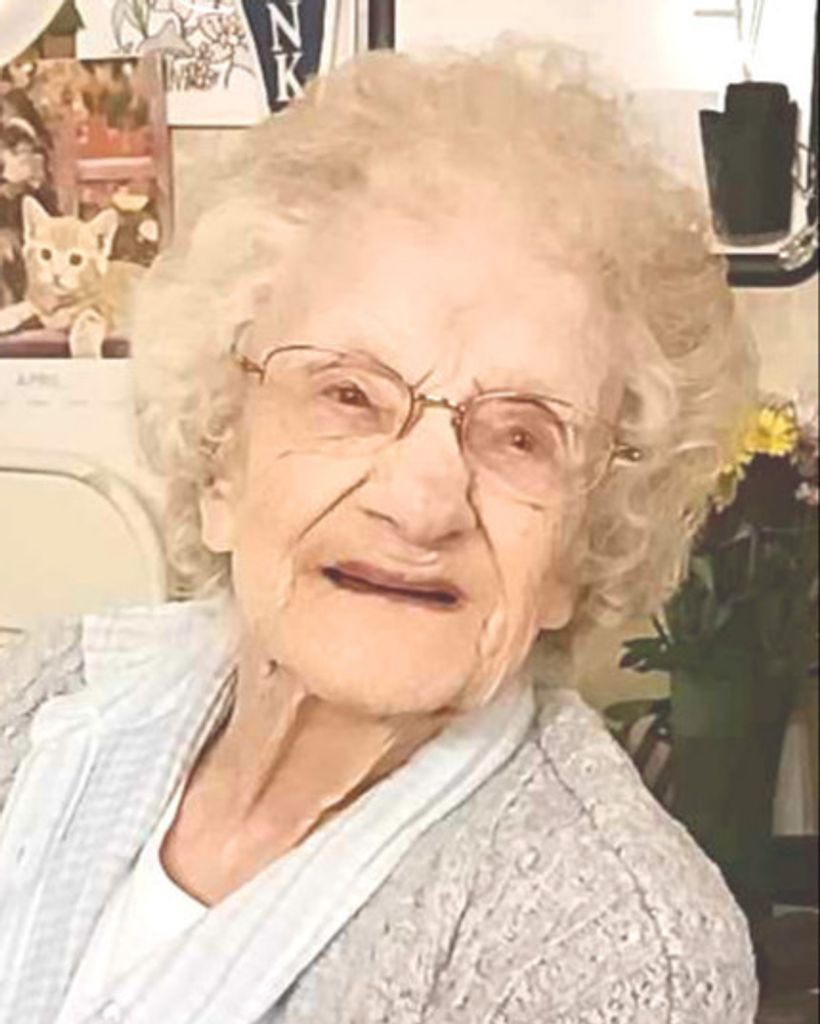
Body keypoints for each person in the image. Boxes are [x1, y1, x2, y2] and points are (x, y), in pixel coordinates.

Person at [0, 46, 759, 1023]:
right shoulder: (56, 691)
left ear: (582, 547)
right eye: (350, 395)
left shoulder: (608, 946)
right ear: (222, 456)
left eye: (521, 435)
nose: (422, 502)